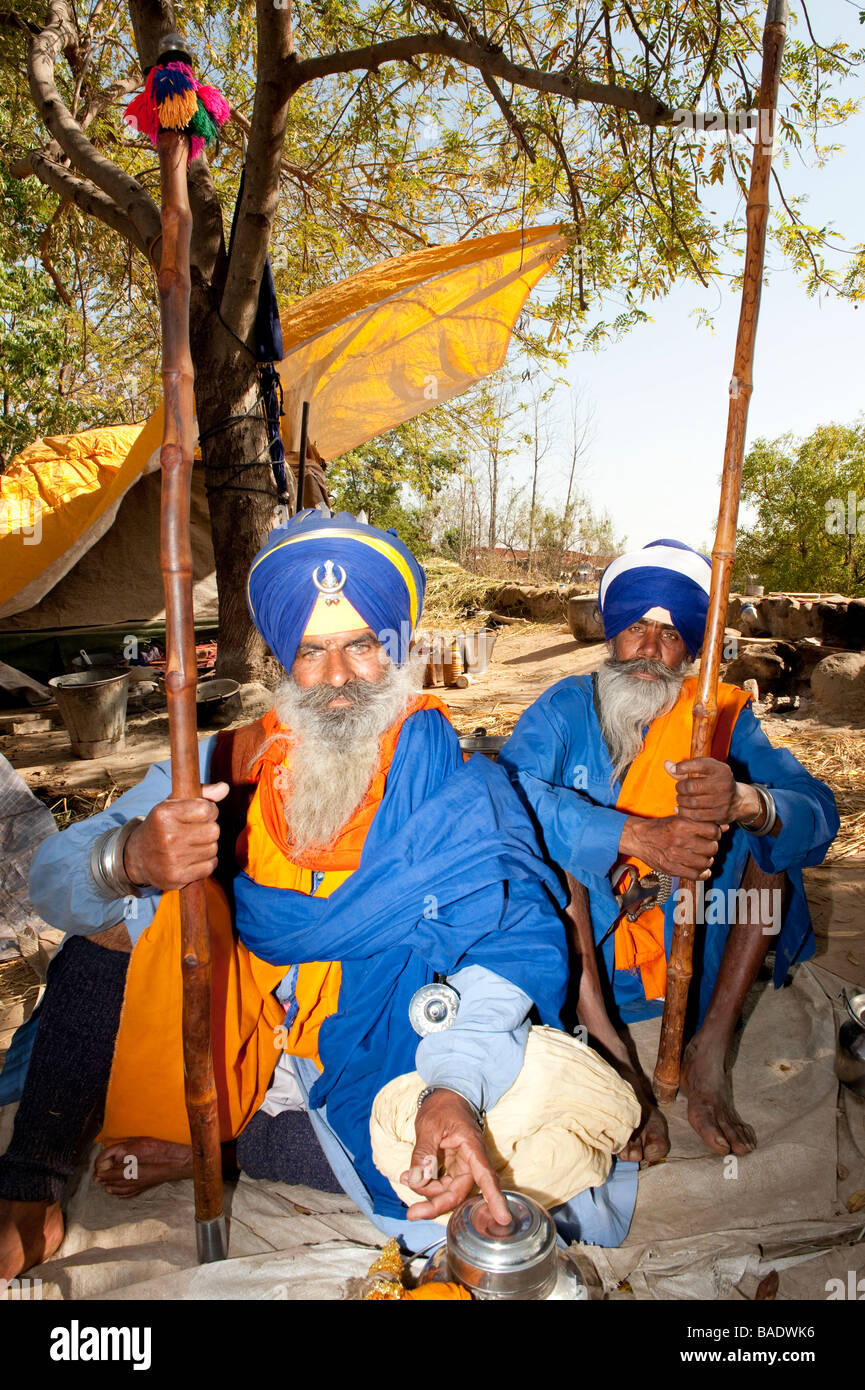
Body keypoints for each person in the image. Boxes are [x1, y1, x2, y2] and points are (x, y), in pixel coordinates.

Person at [0, 510, 636, 1282]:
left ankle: (229, 1149)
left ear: (396, 650)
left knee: (508, 1128)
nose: (338, 679)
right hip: (233, 1028)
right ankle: (32, 1183)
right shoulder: (222, 764)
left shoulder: (461, 785)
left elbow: (514, 935)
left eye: (361, 646)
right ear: (279, 661)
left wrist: (452, 1084)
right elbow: (54, 883)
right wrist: (130, 856)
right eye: (311, 651)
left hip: (382, 1043)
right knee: (119, 919)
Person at [499, 539, 839, 1162]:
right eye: (635, 628)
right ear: (611, 636)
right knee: (552, 855)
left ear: (691, 648)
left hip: (698, 942)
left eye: (672, 633)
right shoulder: (565, 709)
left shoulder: (726, 717)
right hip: (593, 948)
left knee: (771, 843)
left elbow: (817, 814)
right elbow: (507, 800)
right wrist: (630, 836)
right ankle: (611, 1047)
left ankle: (710, 1048)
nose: (651, 651)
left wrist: (745, 801)